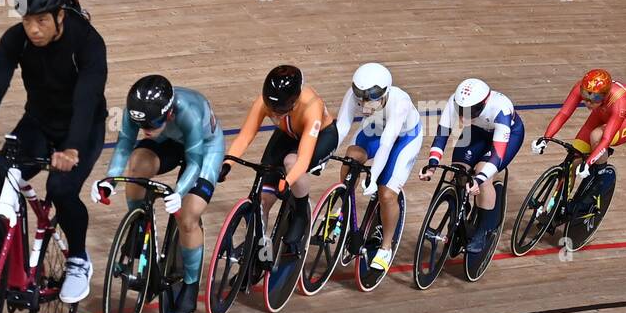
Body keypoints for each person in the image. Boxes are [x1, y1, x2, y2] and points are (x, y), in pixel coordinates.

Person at [0, 0, 107, 303]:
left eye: (41, 21)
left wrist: (72, 148)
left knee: (61, 189)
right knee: (4, 183)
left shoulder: (87, 43)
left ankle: (78, 260)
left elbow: (86, 100)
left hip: (82, 128)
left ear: (59, 16)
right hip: (38, 122)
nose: (33, 29)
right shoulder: (15, 40)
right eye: (26, 21)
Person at [91, 75, 224, 313]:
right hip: (170, 140)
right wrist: (109, 180)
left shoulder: (189, 113)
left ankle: (191, 285)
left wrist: (179, 192)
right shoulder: (137, 111)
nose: (145, 131)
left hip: (204, 149)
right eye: (142, 126)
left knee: (187, 215)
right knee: (137, 165)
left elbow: (194, 162)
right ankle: (138, 224)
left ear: (169, 114)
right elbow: (124, 145)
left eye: (151, 126)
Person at [221, 65, 338, 254]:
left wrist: (287, 182)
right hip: (288, 134)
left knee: (291, 163)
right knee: (263, 199)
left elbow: (303, 159)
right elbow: (245, 136)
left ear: (295, 100)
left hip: (322, 137)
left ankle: (301, 213)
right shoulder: (264, 102)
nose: (274, 114)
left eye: (280, 109)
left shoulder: (312, 106)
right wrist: (228, 163)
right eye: (271, 108)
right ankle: (255, 252)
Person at [332, 62, 422, 274]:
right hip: (374, 130)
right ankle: (344, 207)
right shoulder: (354, 95)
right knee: (351, 157)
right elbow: (341, 128)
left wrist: (373, 177)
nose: (363, 104)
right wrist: (323, 158)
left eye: (370, 99)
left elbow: (387, 144)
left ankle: (385, 247)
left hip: (403, 139)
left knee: (387, 193)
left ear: (385, 92)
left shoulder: (400, 102)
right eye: (360, 97)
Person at [420, 77, 524, 254]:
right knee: (458, 171)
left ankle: (483, 231)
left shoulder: (501, 109)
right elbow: (441, 136)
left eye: (470, 111)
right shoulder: (455, 101)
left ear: (483, 104)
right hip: (477, 132)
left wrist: (479, 178)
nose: (463, 115)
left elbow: (497, 155)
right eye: (461, 110)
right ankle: (462, 208)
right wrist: (432, 164)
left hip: (508, 135)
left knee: (482, 176)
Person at [533, 68, 626, 209]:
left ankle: (600, 179)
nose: (588, 102)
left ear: (606, 95)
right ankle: (555, 207)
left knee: (596, 136)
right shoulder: (582, 88)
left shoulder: (618, 99)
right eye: (585, 95)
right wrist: (545, 138)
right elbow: (563, 114)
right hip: (601, 114)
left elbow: (607, 138)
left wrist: (589, 162)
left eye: (595, 98)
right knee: (573, 159)